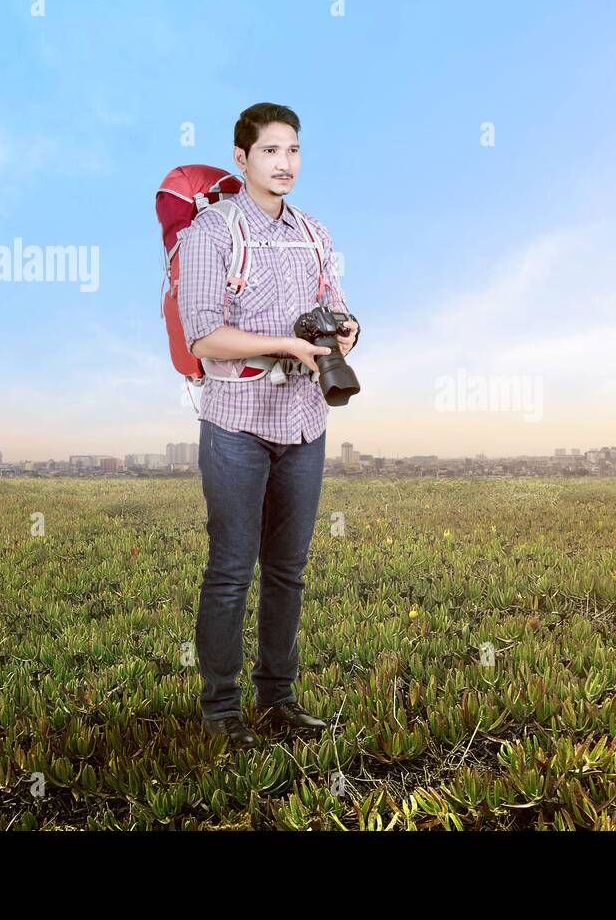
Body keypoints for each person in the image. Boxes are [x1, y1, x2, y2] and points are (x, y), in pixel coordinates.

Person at [179, 102, 357, 749]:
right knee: (230, 569)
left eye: (294, 150)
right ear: (241, 159)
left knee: (289, 570)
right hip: (237, 422)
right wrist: (285, 344)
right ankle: (221, 707)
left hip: (305, 422)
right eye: (271, 152)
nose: (285, 164)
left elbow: (334, 306)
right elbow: (203, 335)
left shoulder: (316, 233)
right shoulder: (212, 233)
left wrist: (347, 330)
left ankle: (278, 699)